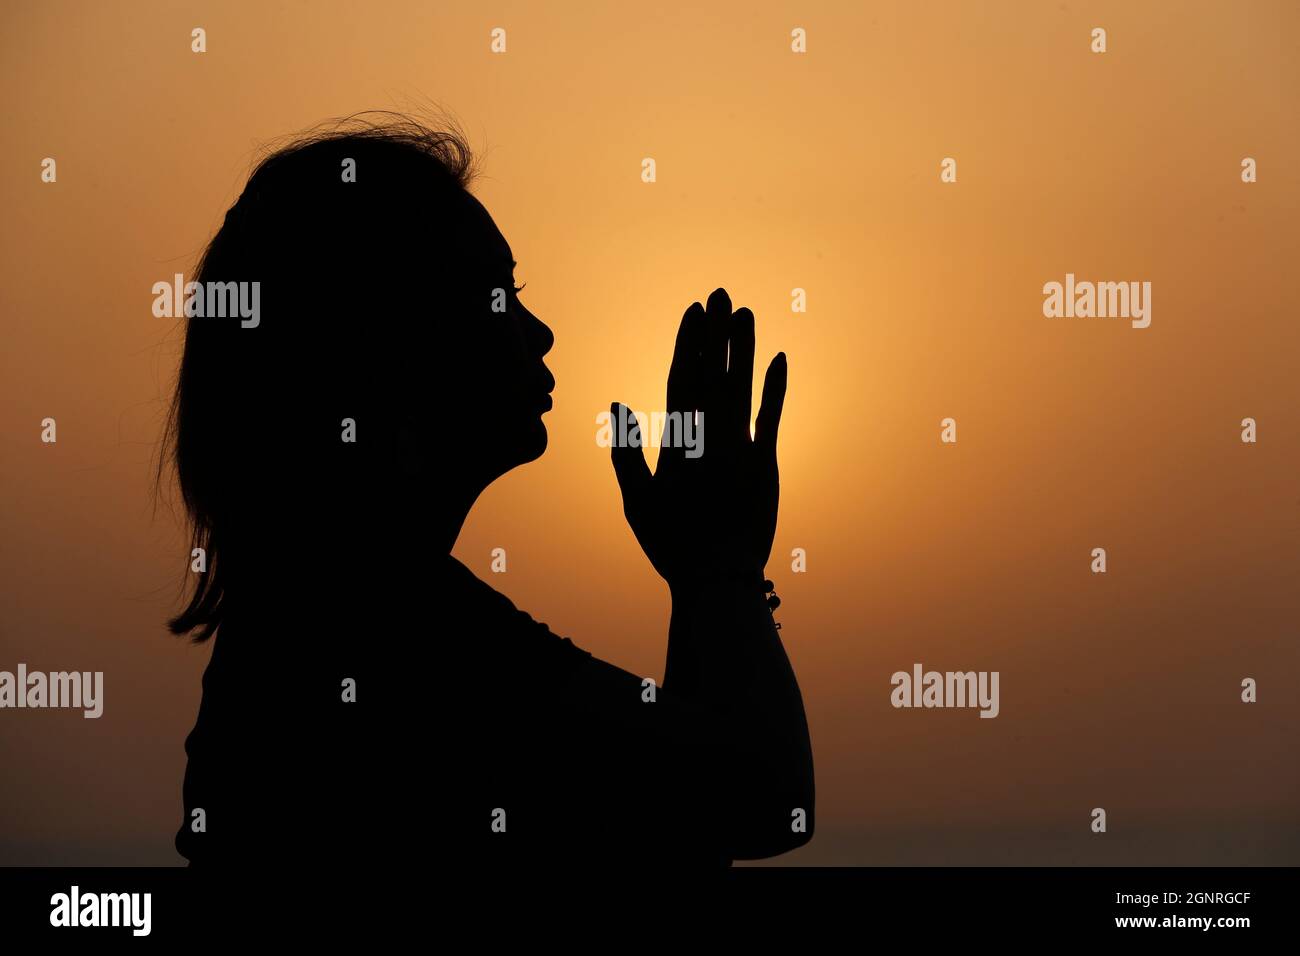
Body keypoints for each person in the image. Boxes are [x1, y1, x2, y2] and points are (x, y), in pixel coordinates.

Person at [162, 113, 814, 868]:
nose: (540, 332)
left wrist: (707, 577)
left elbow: (686, 811)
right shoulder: (390, 630)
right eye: (499, 296)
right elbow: (762, 796)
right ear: (390, 348)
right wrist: (721, 574)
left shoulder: (320, 613)